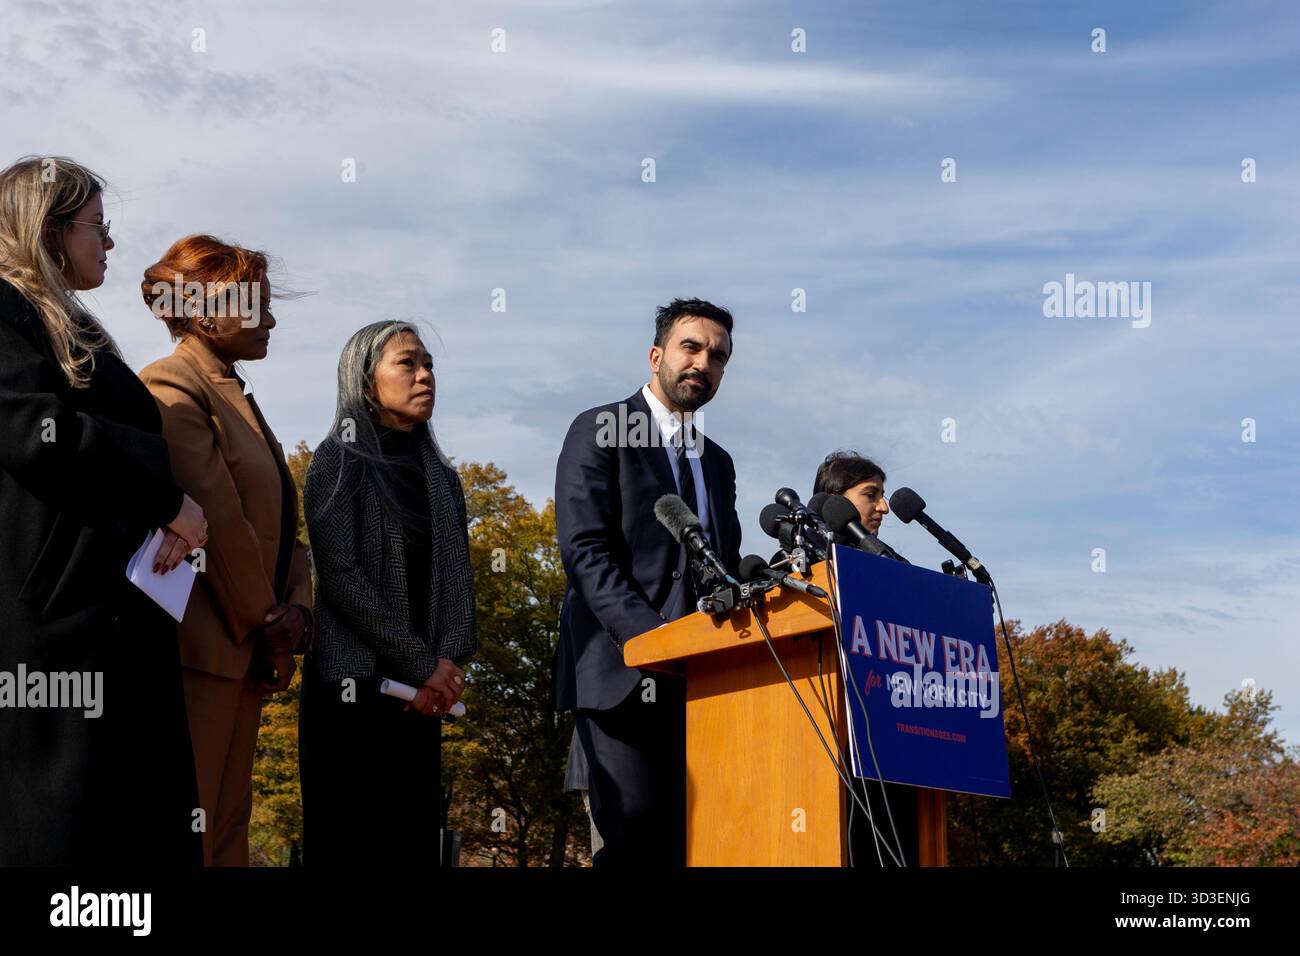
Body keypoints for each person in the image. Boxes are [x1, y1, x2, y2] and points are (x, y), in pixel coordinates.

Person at [0, 155, 204, 865]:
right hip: (55, 627)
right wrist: (168, 498)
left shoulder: (68, 323)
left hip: (110, 612)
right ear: (49, 230)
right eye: (98, 226)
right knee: (62, 828)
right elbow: (37, 434)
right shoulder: (3, 309)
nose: (111, 243)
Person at [139, 235, 314, 866]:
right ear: (209, 310)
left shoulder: (232, 391)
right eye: (258, 304)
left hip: (244, 652)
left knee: (228, 834)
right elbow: (218, 521)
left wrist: (299, 614)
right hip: (202, 653)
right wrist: (270, 624)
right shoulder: (170, 387)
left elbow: (283, 526)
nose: (271, 319)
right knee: (196, 834)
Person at [555, 297, 743, 867]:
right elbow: (585, 552)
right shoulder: (599, 429)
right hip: (621, 677)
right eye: (691, 347)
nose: (703, 363)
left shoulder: (719, 462)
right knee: (632, 850)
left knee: (695, 848)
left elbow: (721, 564)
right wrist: (656, 643)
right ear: (657, 354)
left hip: (702, 687)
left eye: (718, 356)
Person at [301, 320, 477, 866]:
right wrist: (422, 664)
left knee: (410, 849)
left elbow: (457, 580)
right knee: (350, 847)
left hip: (420, 704)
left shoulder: (442, 478)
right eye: (408, 363)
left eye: (429, 365)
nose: (425, 375)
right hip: (353, 696)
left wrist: (446, 667)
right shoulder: (337, 460)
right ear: (364, 380)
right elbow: (341, 578)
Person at [812, 449, 918, 866]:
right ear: (835, 501)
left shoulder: (887, 569)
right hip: (827, 749)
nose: (883, 507)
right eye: (870, 494)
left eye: (883, 494)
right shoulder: (798, 570)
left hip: (894, 749)